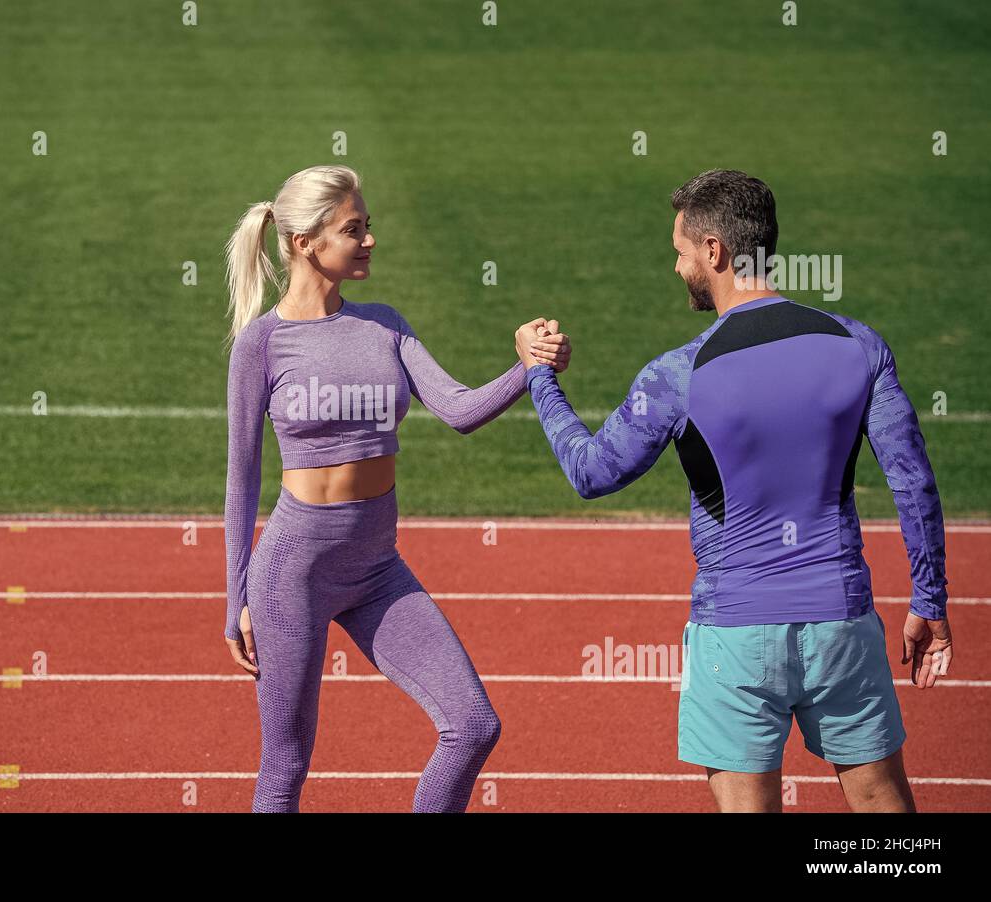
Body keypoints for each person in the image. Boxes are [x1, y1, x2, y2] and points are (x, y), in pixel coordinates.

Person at [519, 169, 952, 812]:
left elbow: (592, 472)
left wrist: (540, 378)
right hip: (842, 623)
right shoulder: (861, 347)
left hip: (735, 634)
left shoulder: (679, 375)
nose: (677, 266)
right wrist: (930, 599)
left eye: (681, 250)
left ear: (715, 251)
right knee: (883, 813)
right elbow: (913, 481)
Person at [222, 164, 569, 812]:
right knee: (285, 768)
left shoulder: (385, 325)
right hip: (291, 571)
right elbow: (242, 478)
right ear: (304, 242)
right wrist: (233, 598)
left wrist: (527, 369)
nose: (371, 240)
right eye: (354, 229)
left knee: (472, 726)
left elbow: (460, 410)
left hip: (377, 565)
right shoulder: (262, 344)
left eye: (368, 226)